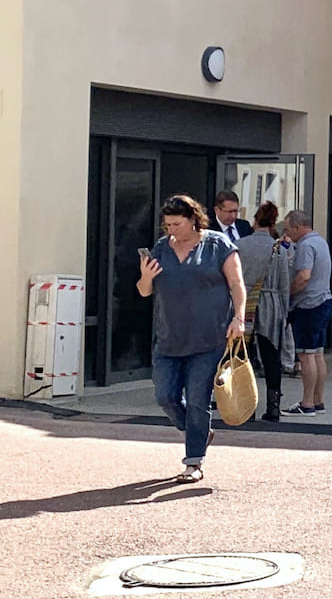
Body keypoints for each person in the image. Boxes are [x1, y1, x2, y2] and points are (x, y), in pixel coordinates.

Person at [136, 193, 246, 482]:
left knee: (198, 401)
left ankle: (193, 462)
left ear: (193, 220)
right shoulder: (162, 248)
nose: (172, 230)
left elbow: (236, 284)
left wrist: (239, 318)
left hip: (209, 339)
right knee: (165, 396)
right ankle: (199, 432)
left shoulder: (218, 245)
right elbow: (144, 291)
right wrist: (145, 276)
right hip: (169, 338)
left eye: (177, 224)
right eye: (168, 225)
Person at [234, 201, 293, 423]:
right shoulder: (279, 249)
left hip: (244, 302)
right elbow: (284, 285)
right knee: (271, 357)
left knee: (243, 357)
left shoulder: (239, 245)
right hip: (270, 302)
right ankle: (273, 406)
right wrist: (284, 313)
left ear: (255, 220)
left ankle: (246, 407)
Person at [282, 209, 332, 414]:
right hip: (324, 301)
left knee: (305, 356)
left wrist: (288, 293)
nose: (286, 233)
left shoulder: (305, 246)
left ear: (297, 227)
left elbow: (304, 276)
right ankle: (318, 401)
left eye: (288, 229)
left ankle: (307, 403)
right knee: (318, 353)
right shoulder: (320, 242)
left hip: (308, 304)